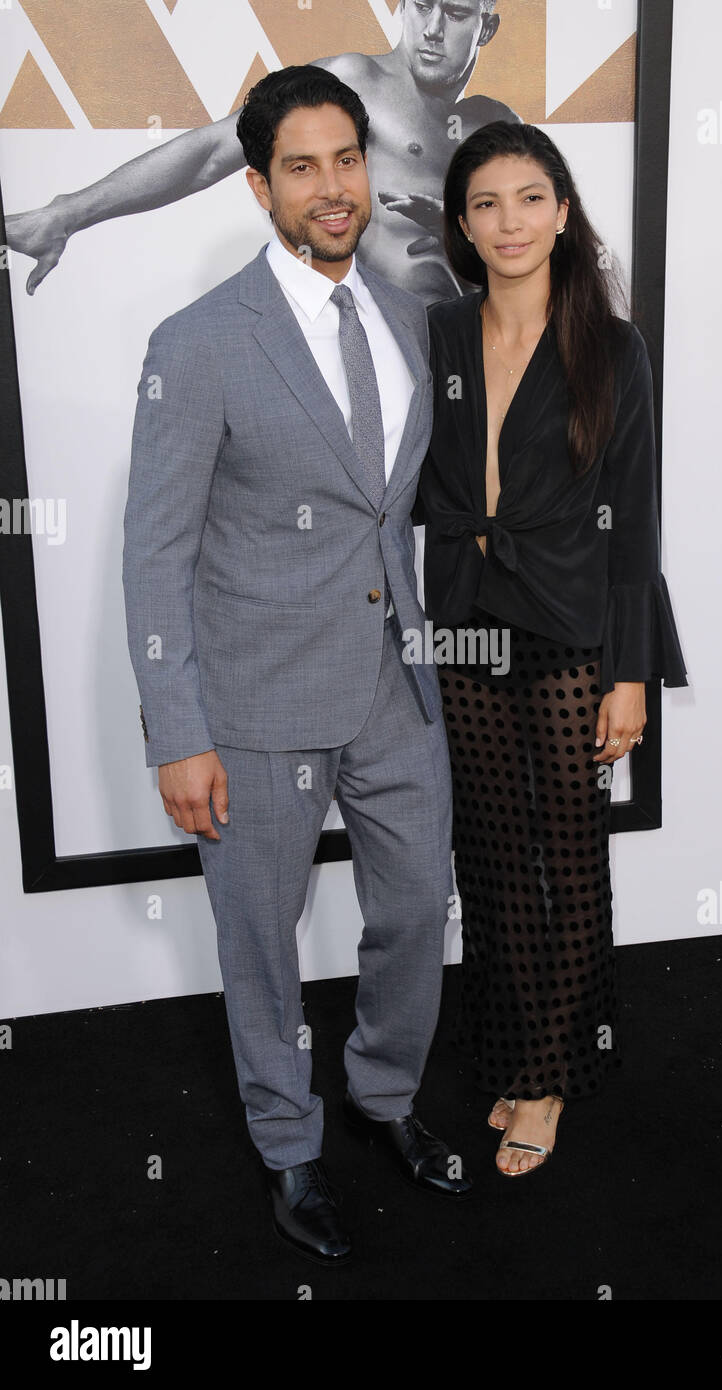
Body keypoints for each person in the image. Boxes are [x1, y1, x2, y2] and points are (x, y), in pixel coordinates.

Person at [121, 65, 470, 1268]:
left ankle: (380, 1093)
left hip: (394, 684)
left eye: (348, 160)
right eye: (304, 167)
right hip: (257, 699)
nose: (333, 188)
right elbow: (154, 552)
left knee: (418, 907)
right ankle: (289, 1144)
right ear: (261, 182)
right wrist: (177, 727)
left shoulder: (409, 314)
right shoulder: (200, 342)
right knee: (262, 939)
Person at [415, 120, 688, 1176]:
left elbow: (635, 515)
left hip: (574, 622)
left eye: (529, 198)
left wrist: (631, 669)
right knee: (487, 850)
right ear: (462, 224)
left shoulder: (612, 347)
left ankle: (551, 1076)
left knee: (566, 856)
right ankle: (514, 1052)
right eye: (485, 203)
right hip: (468, 612)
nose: (508, 221)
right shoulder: (438, 332)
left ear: (563, 211)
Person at [6, 0, 517, 304]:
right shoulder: (354, 81)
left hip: (470, 366)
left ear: (486, 29)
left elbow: (553, 254)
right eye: (421, 5)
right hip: (374, 364)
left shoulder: (494, 123)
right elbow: (209, 153)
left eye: (453, 13)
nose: (431, 30)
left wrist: (454, 228)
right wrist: (68, 213)